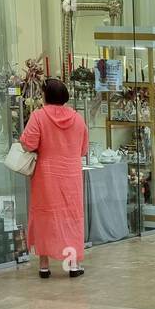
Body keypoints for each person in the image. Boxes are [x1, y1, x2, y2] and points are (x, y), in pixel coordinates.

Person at [20, 77, 89, 279]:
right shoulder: (77, 118)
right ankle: (73, 264)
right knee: (72, 218)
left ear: (46, 95)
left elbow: (28, 144)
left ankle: (43, 266)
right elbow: (83, 149)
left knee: (45, 217)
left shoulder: (38, 116)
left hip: (46, 176)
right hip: (71, 175)